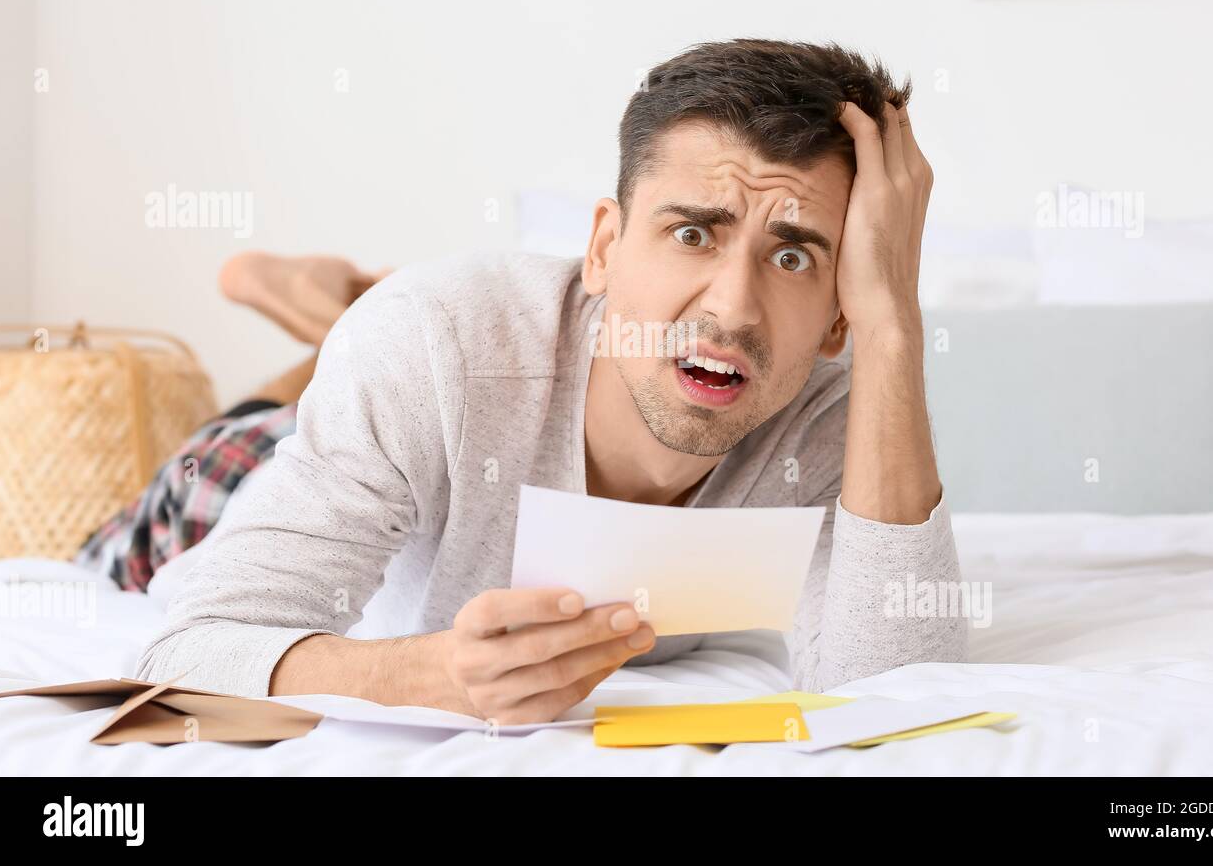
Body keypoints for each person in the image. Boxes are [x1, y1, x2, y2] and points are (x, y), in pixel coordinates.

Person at [131, 38, 969, 724]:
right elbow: (184, 653)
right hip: (238, 472)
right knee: (365, 375)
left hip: (472, 366)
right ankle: (318, 318)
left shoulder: (842, 417)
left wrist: (893, 325)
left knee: (431, 356)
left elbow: (904, 698)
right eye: (692, 234)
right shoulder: (431, 344)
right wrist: (428, 678)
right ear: (601, 248)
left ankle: (331, 320)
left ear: (837, 316)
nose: (735, 309)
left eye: (793, 256)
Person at [76, 253, 386, 591]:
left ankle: (350, 331)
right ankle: (356, 333)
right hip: (229, 488)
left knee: (301, 423)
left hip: (216, 498)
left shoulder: (101, 563)